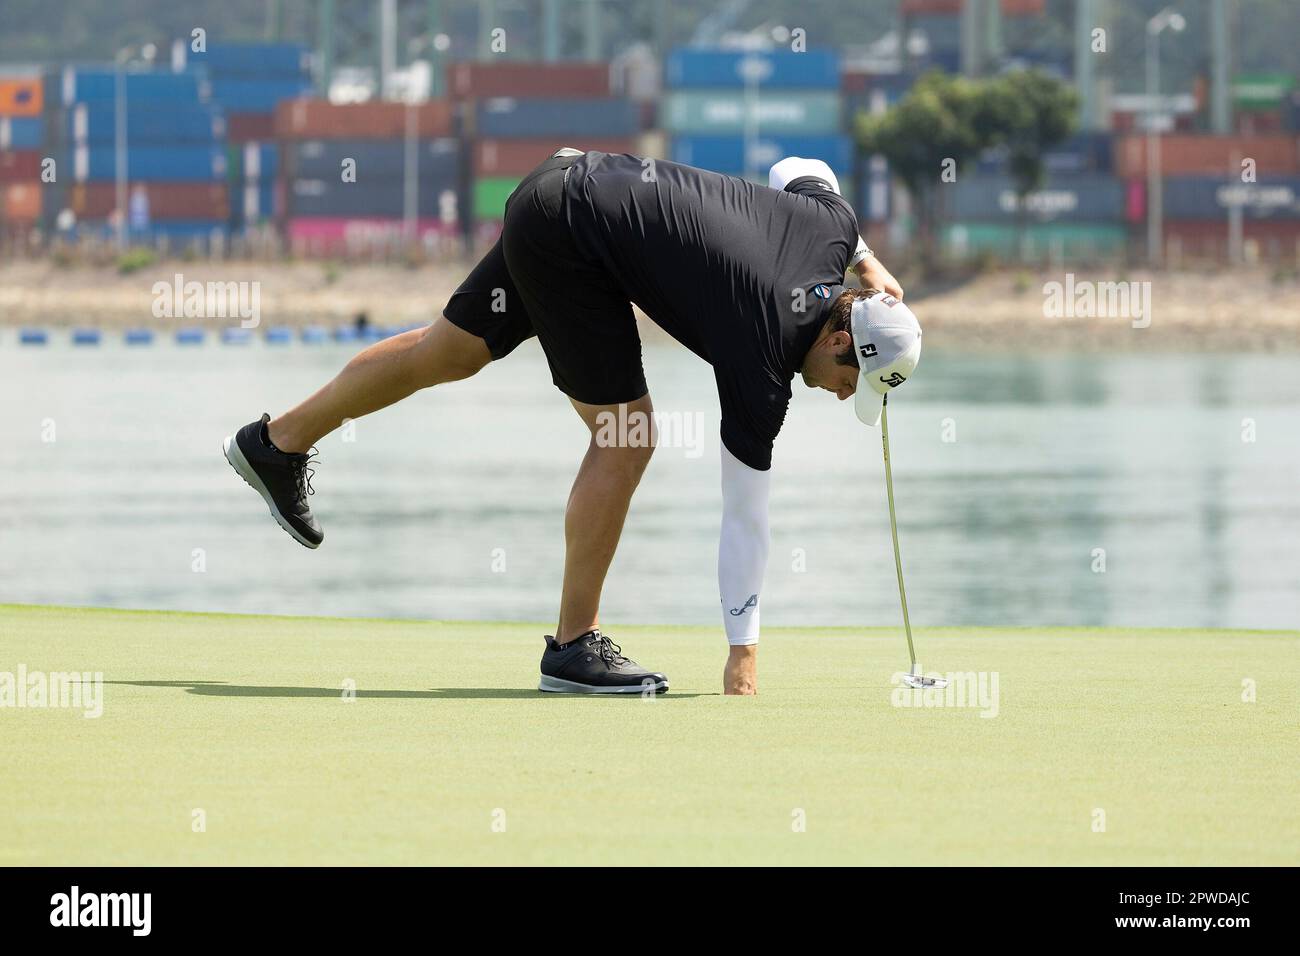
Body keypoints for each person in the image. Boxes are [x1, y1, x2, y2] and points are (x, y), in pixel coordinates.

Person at [223, 148, 921, 696]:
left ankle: (274, 444)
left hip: (560, 182)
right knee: (627, 436)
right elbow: (746, 516)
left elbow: (802, 170)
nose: (838, 397)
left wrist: (869, 261)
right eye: (849, 383)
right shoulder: (763, 355)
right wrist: (743, 660)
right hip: (569, 232)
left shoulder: (831, 233)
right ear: (837, 341)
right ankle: (572, 647)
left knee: (449, 353)